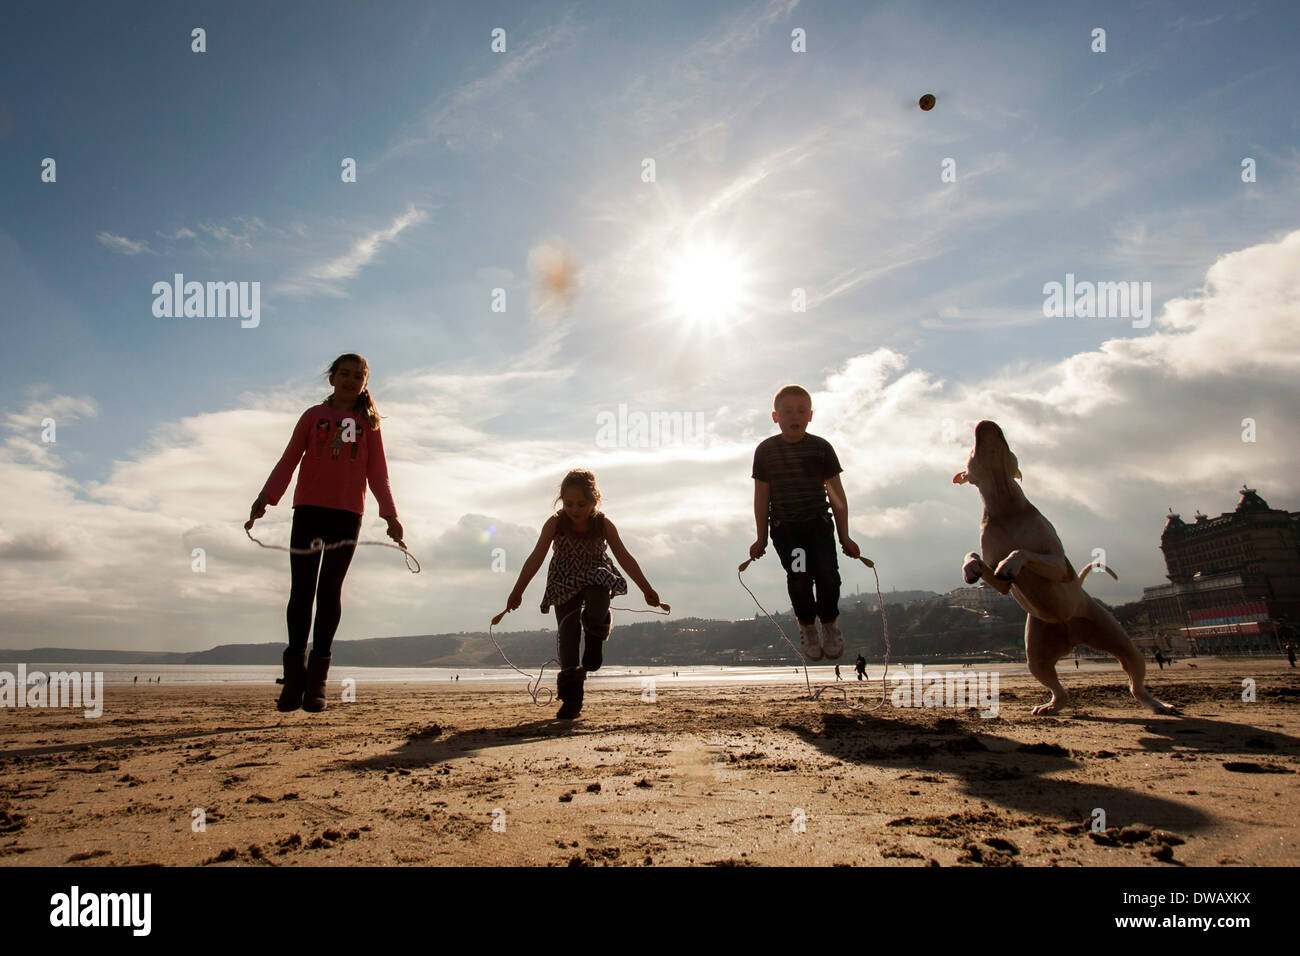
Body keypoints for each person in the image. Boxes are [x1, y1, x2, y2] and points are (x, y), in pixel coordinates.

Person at [249, 353, 403, 714]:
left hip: (347, 516)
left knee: (329, 591)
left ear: (365, 382)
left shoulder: (369, 424)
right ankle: (294, 679)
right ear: (332, 378)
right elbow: (289, 459)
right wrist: (266, 497)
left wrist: (390, 515)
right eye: (344, 374)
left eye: (357, 376)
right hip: (308, 512)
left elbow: (378, 474)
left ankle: (317, 682)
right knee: (301, 591)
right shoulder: (313, 416)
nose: (350, 380)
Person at [507, 469, 662, 719]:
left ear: (594, 501)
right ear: (561, 501)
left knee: (599, 589)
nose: (575, 509)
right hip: (563, 578)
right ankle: (571, 700)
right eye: (569, 503)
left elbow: (623, 555)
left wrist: (646, 588)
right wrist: (518, 591)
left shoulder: (602, 523)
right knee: (567, 635)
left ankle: (595, 636)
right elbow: (536, 556)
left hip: (594, 571)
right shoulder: (556, 522)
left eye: (582, 504)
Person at [750, 385, 860, 662]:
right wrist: (761, 538)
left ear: (810, 415)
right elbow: (761, 497)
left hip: (819, 526)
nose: (794, 416)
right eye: (787, 411)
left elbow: (837, 493)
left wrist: (845, 537)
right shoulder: (766, 451)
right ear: (775, 417)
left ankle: (829, 623)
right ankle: (808, 626)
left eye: (800, 411)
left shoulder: (821, 449)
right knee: (800, 577)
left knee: (826, 574)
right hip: (788, 531)